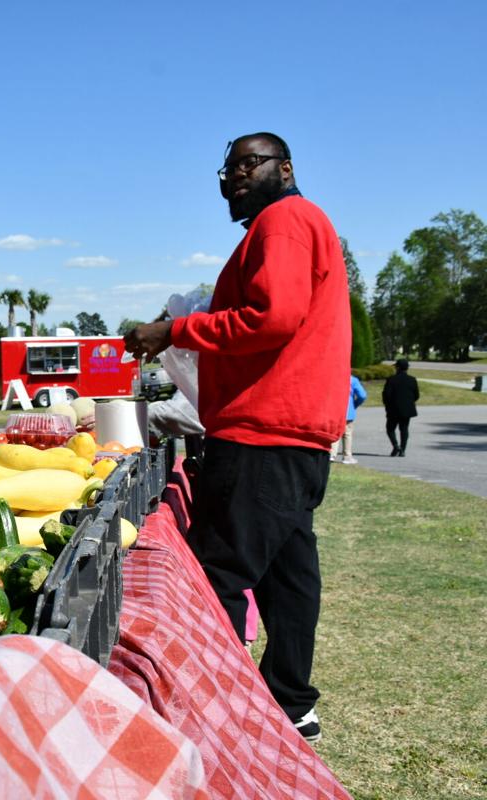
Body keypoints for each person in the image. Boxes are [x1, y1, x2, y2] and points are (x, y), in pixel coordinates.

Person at [123, 132, 350, 744]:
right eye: (226, 171)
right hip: (291, 437)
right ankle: (290, 703)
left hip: (263, 433)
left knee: (218, 575)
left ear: (287, 167)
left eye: (249, 164)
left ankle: (214, 714)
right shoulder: (288, 224)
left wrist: (176, 330)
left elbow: (272, 318)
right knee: (287, 577)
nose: (234, 178)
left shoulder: (284, 221)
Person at [383, 358, 419, 456]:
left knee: (390, 429)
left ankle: (396, 446)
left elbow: (386, 395)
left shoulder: (391, 380)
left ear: (398, 368)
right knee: (404, 429)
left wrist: (387, 405)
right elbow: (416, 395)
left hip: (393, 409)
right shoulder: (412, 380)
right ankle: (402, 449)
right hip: (406, 409)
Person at [332, 374, 367, 464]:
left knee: (335, 432)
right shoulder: (353, 380)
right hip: (348, 410)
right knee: (347, 434)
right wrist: (355, 404)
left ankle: (332, 454)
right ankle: (347, 456)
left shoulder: (334, 377)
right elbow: (362, 395)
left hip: (334, 409)